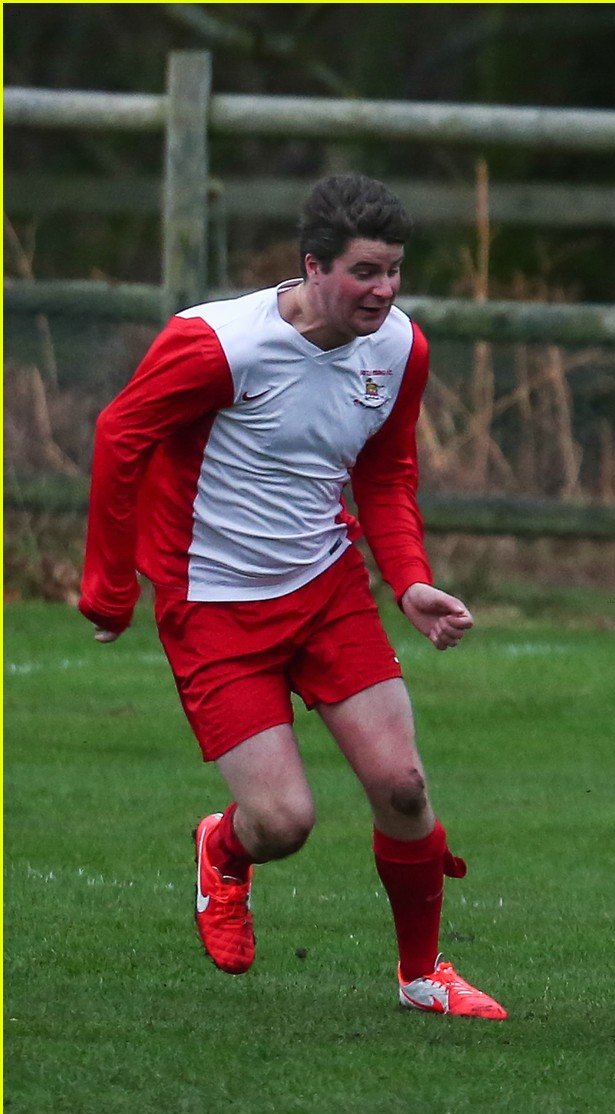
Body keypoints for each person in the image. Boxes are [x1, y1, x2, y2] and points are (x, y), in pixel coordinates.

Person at [79, 174, 507, 1020]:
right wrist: (110, 584)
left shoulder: (399, 349)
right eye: (364, 273)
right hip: (214, 606)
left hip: (327, 588)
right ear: (312, 268)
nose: (383, 291)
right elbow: (120, 434)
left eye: (394, 272)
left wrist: (410, 578)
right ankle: (224, 849)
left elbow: (385, 471)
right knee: (283, 821)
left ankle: (422, 974)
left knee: (404, 786)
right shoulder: (217, 345)